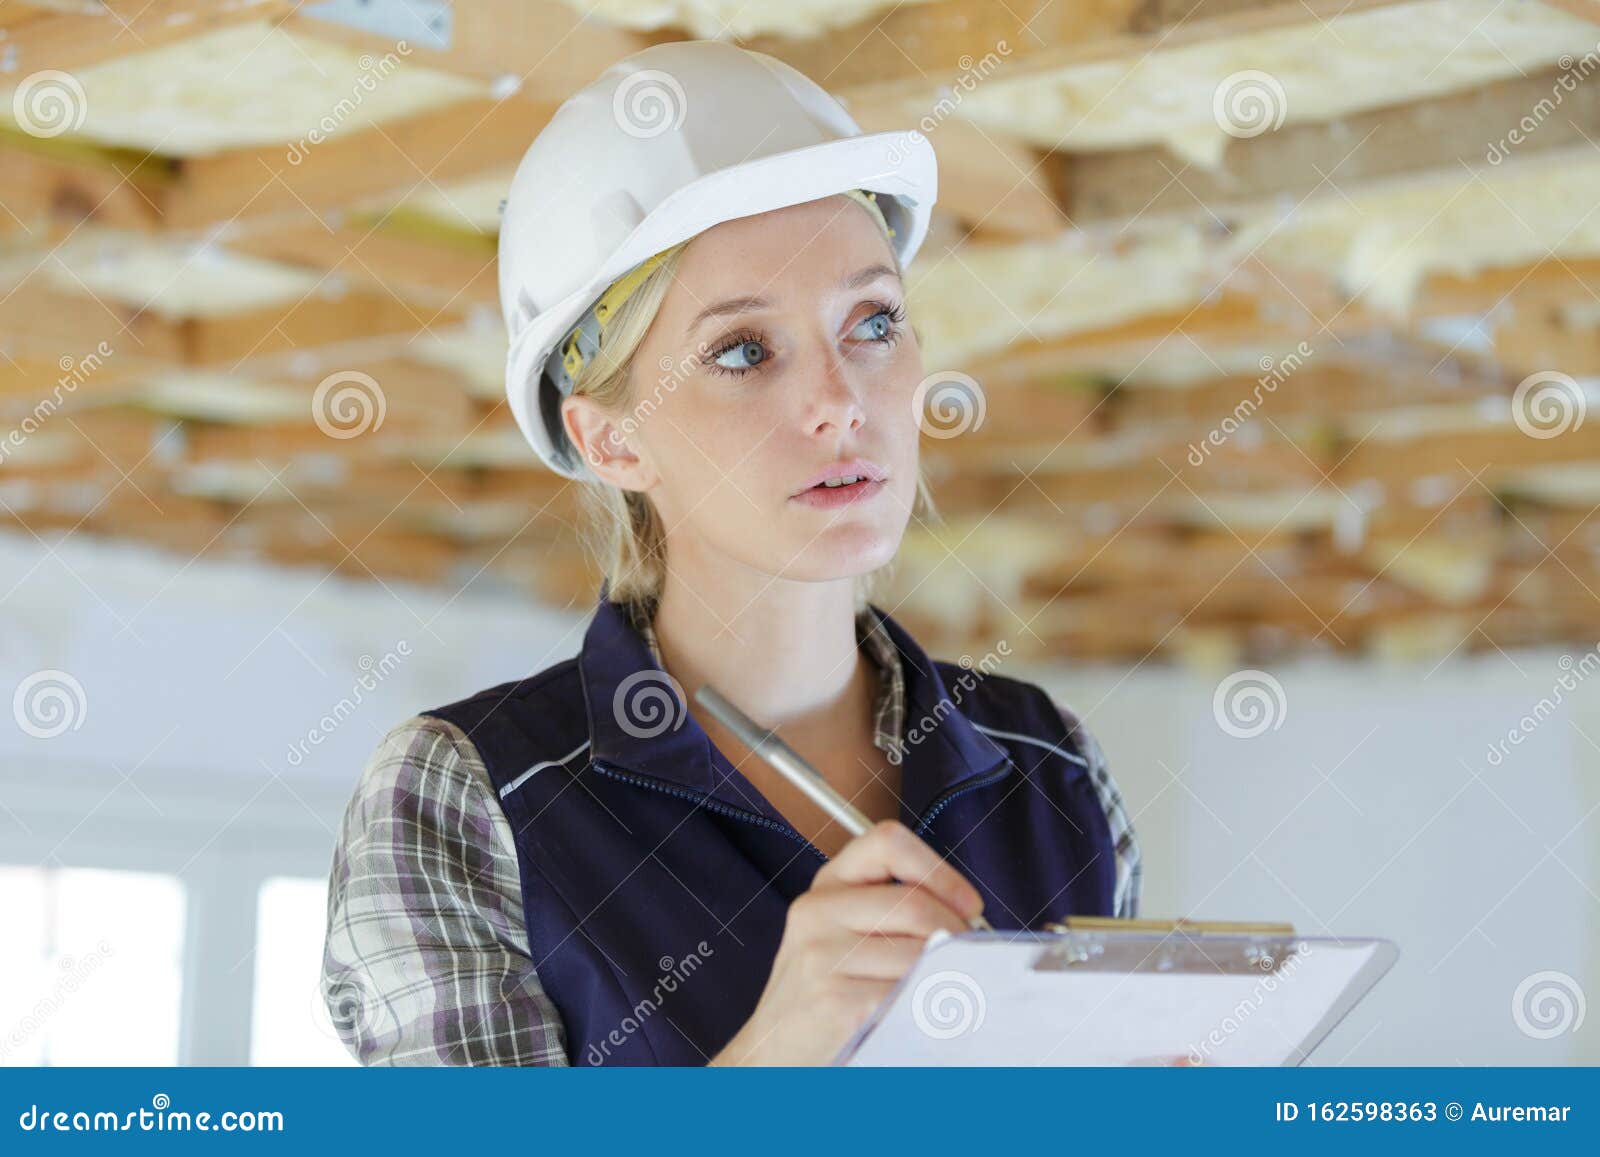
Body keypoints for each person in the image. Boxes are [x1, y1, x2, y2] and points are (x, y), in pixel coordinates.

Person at [321, 38, 1141, 1067]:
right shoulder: (472, 795)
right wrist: (774, 1056)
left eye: (872, 320)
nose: (839, 399)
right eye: (743, 350)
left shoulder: (1049, 767)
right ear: (610, 438)